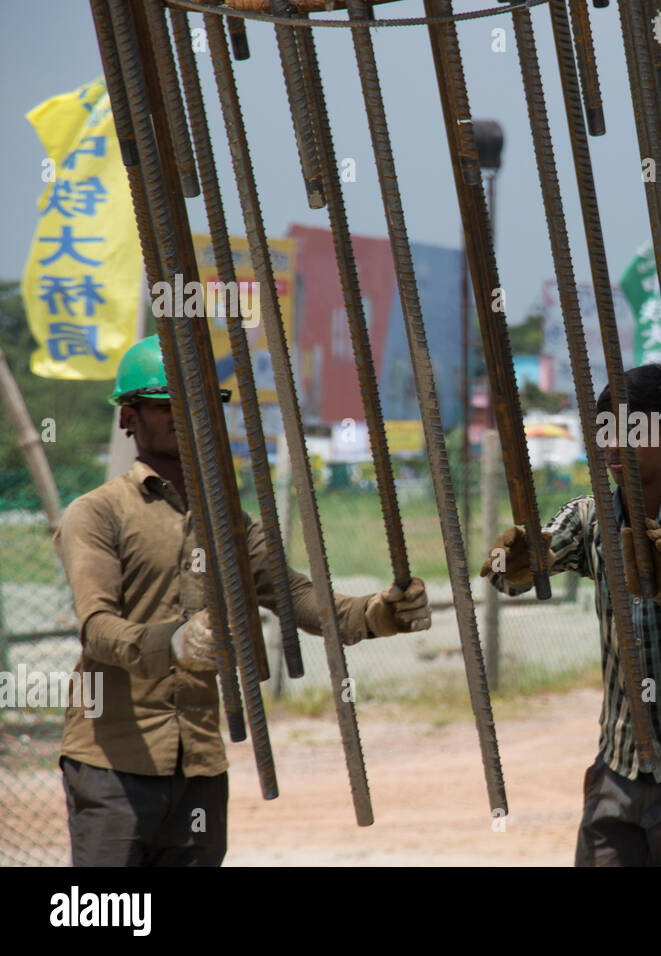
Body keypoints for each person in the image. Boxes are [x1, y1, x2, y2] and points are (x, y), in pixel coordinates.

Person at [53, 335, 430, 867]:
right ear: (129, 418)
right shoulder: (97, 514)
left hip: (199, 765)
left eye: (196, 406)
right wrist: (174, 643)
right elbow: (98, 629)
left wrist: (381, 612)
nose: (184, 419)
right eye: (166, 407)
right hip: (114, 762)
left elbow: (301, 597)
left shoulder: (231, 522)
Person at [480, 363, 661, 867]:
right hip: (619, 765)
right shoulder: (589, 519)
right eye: (606, 430)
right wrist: (513, 562)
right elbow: (520, 567)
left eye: (631, 429)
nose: (613, 443)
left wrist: (658, 573)